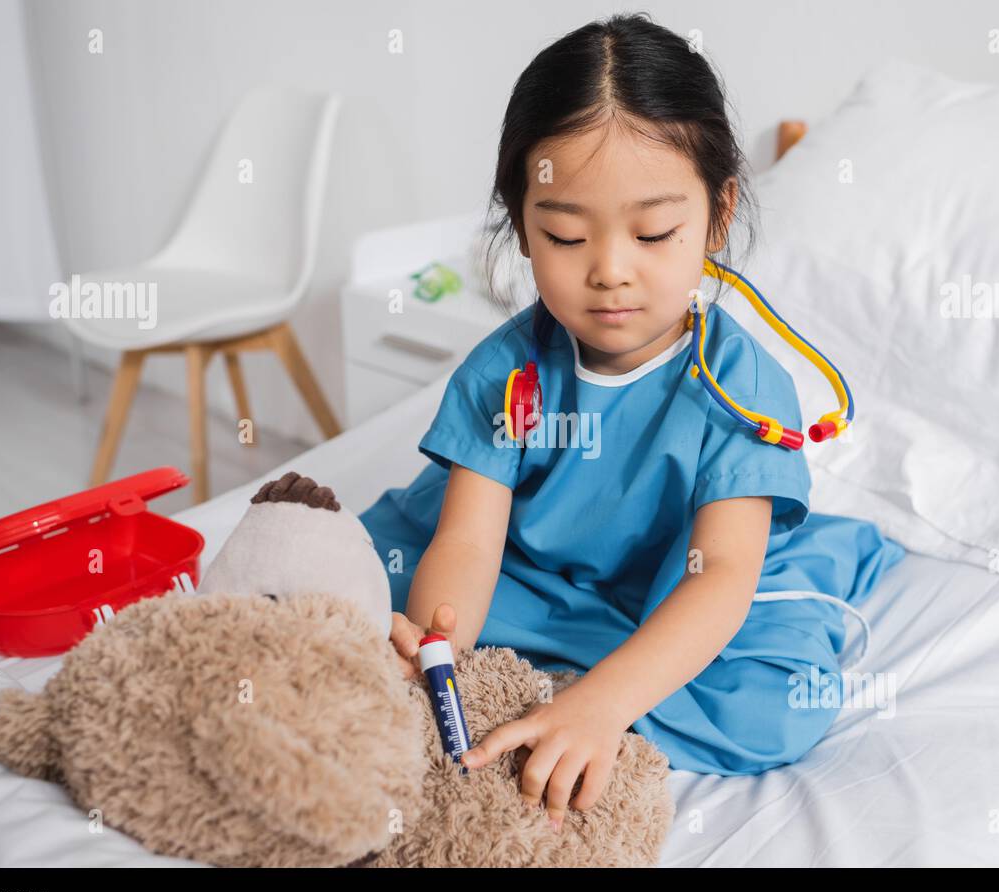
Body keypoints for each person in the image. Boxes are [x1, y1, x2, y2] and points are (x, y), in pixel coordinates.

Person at [358, 12, 905, 834]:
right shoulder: (503, 373)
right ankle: (560, 674)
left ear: (718, 216)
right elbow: (468, 546)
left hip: (681, 583)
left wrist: (603, 703)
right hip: (531, 571)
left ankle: (589, 684)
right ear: (521, 225)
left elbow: (719, 575)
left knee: (776, 707)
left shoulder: (744, 388)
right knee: (370, 587)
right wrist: (440, 657)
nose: (610, 271)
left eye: (653, 233)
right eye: (565, 235)